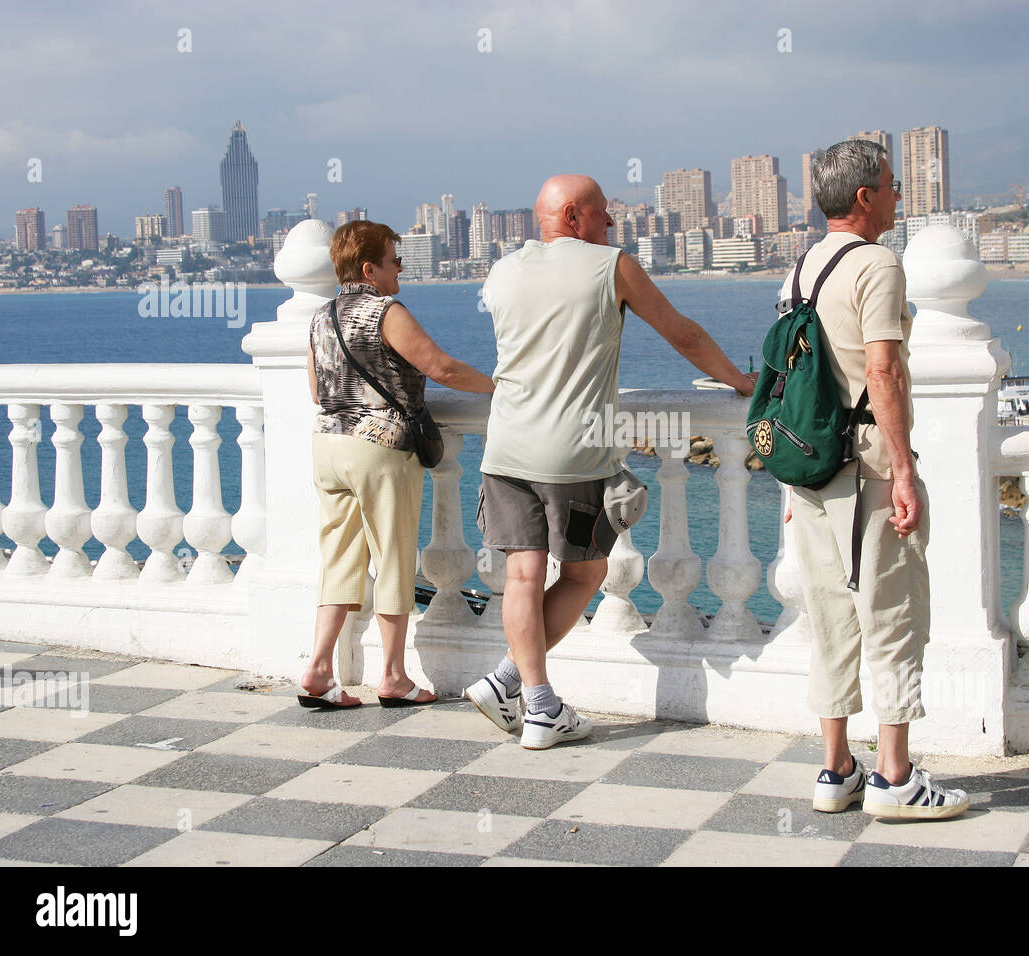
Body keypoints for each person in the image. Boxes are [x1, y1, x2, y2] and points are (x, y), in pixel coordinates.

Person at [465, 174, 756, 749]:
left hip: (505, 448)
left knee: (523, 576)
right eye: (605, 215)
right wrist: (741, 380)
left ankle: (513, 686)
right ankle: (538, 703)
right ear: (575, 214)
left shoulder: (501, 271)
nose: (612, 226)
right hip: (574, 452)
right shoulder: (611, 266)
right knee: (586, 573)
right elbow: (683, 334)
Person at [782, 140, 968, 819]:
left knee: (831, 617)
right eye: (890, 185)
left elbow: (797, 383)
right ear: (864, 197)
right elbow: (882, 372)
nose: (898, 195)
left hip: (811, 469)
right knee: (890, 612)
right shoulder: (876, 264)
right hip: (865, 462)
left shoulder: (801, 268)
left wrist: (792, 491)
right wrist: (905, 471)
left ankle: (835, 771)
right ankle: (894, 777)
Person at [300, 221, 494, 708]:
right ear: (370, 269)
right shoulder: (385, 311)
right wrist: (504, 388)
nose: (400, 267)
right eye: (394, 259)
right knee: (393, 558)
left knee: (340, 557)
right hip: (380, 447)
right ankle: (392, 677)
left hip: (329, 446)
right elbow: (441, 367)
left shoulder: (321, 317)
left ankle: (320, 669)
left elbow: (316, 391)